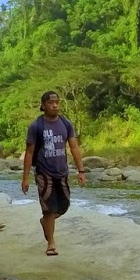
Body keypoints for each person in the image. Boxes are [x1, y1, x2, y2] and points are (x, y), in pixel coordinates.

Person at [21, 90, 86, 256]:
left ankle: (46, 223)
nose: (55, 105)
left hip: (62, 172)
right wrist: (26, 177)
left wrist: (81, 170)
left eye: (57, 102)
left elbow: (74, 147)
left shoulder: (66, 124)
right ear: (43, 105)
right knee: (48, 208)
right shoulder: (37, 126)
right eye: (51, 103)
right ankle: (51, 243)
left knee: (64, 206)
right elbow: (29, 152)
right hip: (44, 172)